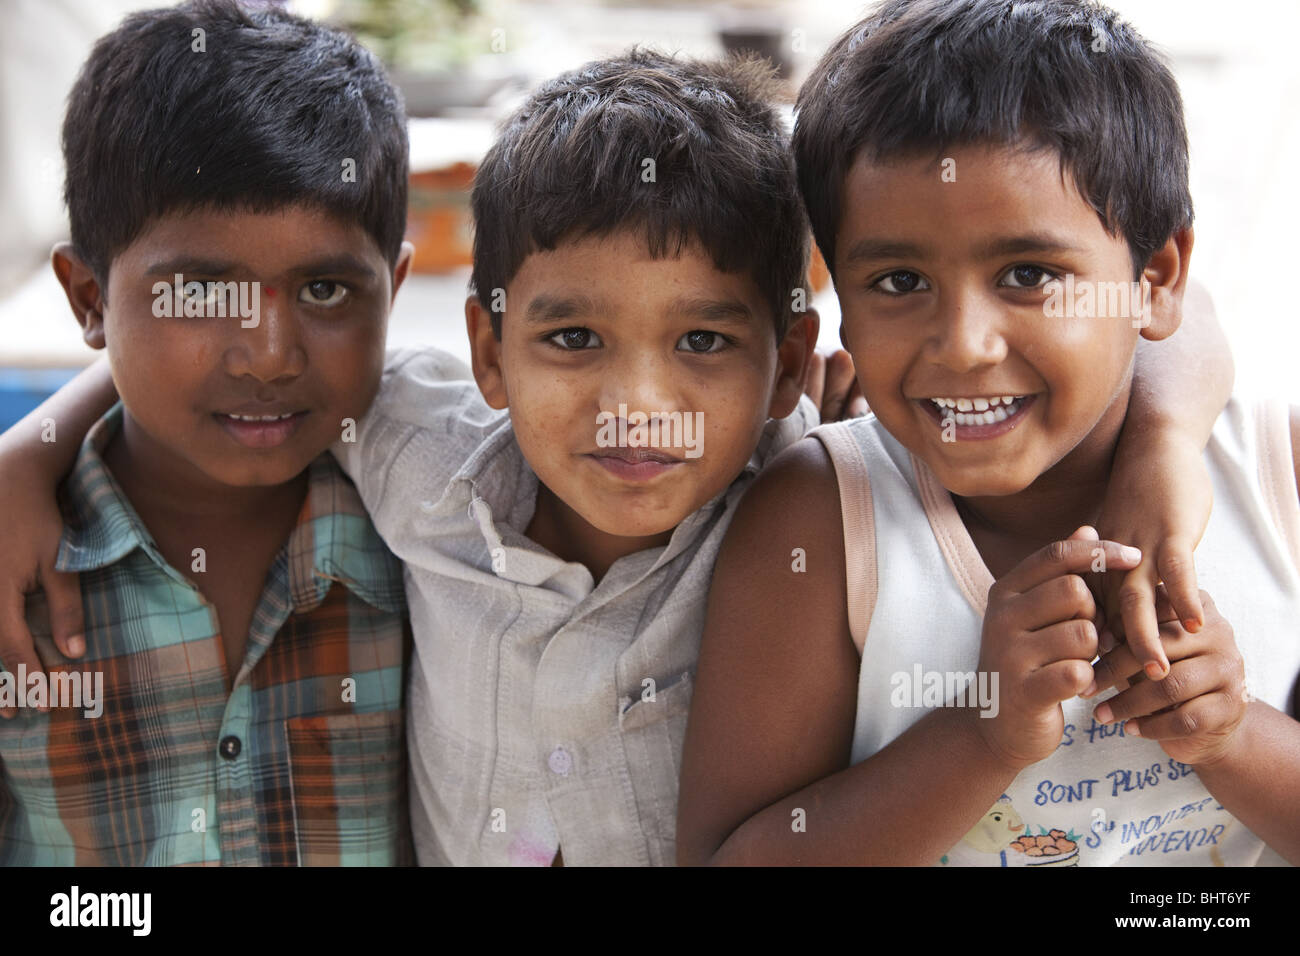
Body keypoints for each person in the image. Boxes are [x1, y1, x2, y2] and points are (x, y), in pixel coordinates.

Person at [3, 39, 1231, 865]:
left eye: (704, 340)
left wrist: (1164, 442)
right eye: (574, 337)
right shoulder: (423, 459)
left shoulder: (803, 498)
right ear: (490, 352)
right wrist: (32, 445)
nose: (636, 406)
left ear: (791, 364)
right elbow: (249, 352)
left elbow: (1158, 309)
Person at [676, 0, 1300, 867]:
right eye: (898, 279)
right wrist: (982, 737)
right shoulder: (822, 521)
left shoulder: (1276, 479)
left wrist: (1234, 737)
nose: (965, 346)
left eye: (1028, 273)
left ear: (1155, 277)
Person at [0, 0, 415, 864]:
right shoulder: (17, 580)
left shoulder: (437, 536)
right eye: (200, 291)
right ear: (88, 300)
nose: (268, 355)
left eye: (327, 291)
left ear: (396, 289)